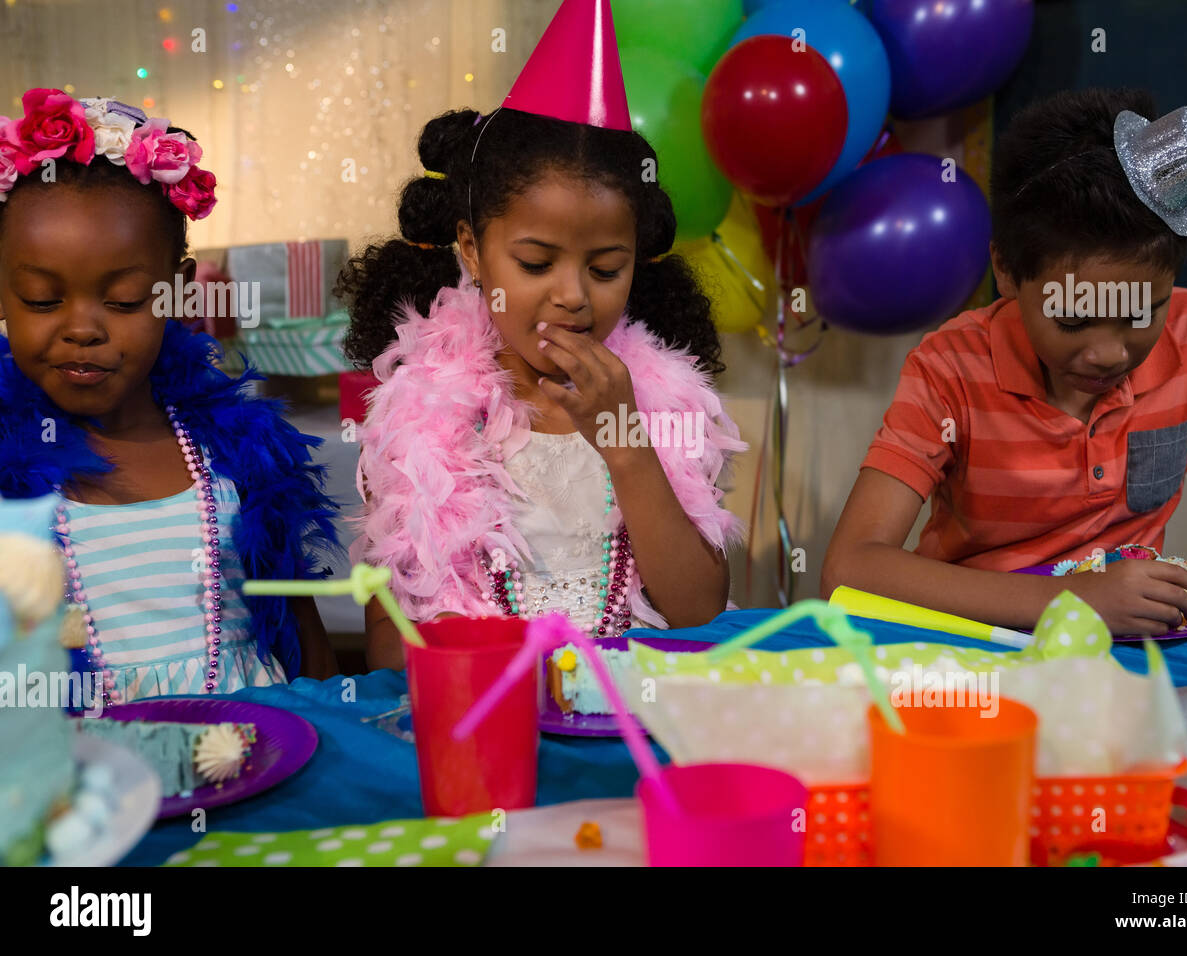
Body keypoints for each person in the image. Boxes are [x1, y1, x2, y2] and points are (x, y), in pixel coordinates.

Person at [341, 0, 746, 671]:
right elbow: (394, 647)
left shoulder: (663, 407)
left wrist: (624, 440)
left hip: (628, 723)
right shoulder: (421, 416)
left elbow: (699, 610)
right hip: (483, 722)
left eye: (606, 268)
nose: (572, 295)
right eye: (535, 263)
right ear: (471, 250)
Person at [823, 87, 1187, 636]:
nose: (1109, 354)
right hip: (982, 648)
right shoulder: (951, 367)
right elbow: (848, 569)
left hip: (1129, 655)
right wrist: (1068, 600)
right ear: (1005, 270)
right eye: (1072, 319)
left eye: (1143, 313)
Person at [0, 90, 341, 703]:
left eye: (125, 300)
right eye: (42, 300)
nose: (82, 328)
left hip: (256, 753)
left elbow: (304, 642)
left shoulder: (237, 453)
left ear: (178, 293)